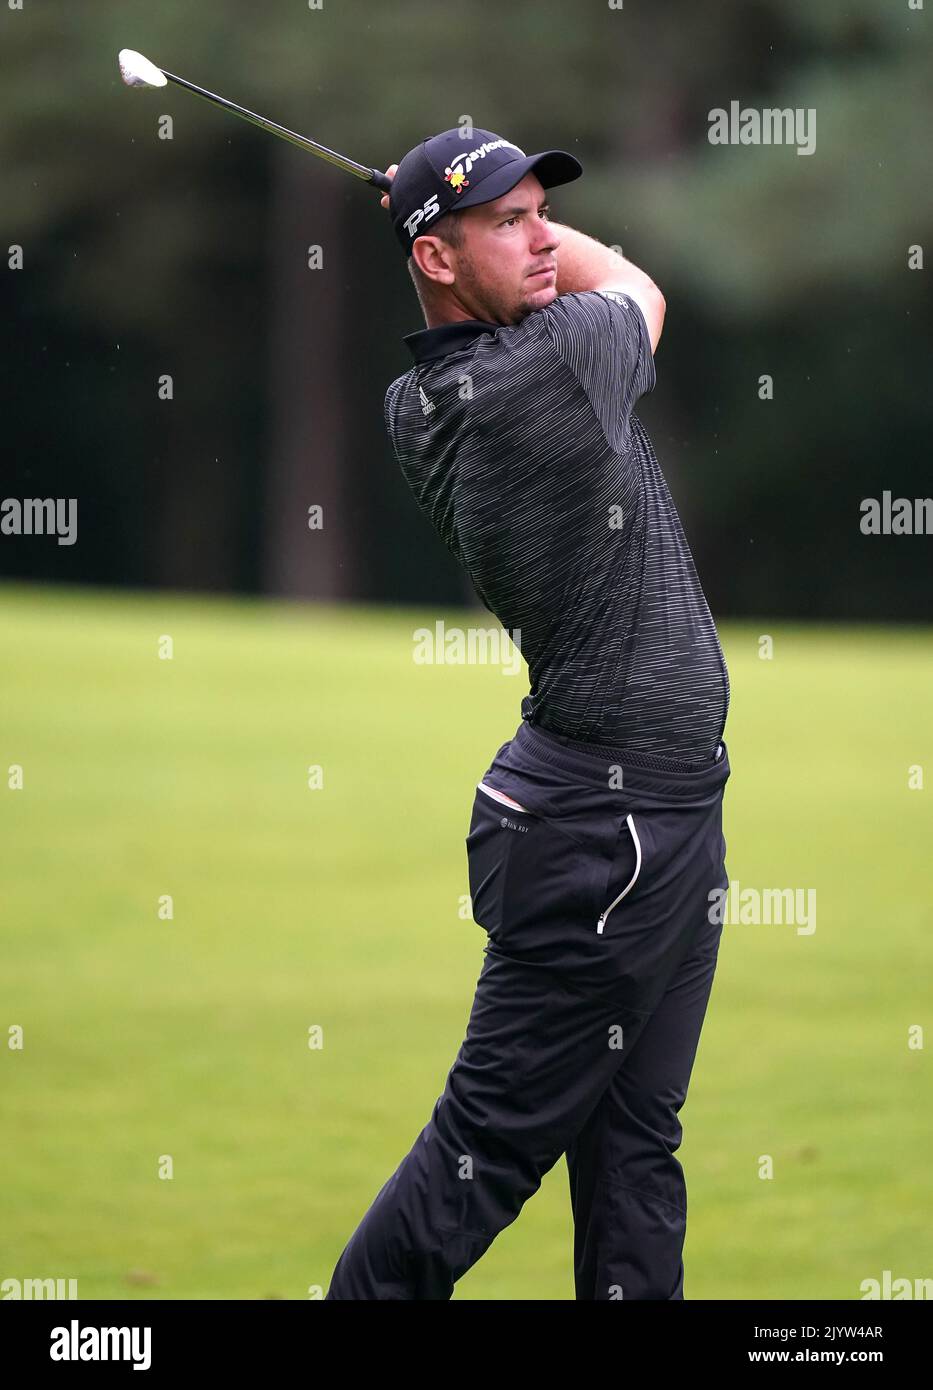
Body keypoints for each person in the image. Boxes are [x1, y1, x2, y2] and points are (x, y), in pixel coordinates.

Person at [324, 128, 731, 1300]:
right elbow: (638, 285)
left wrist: (470, 221)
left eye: (545, 211)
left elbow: (551, 274)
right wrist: (489, 232)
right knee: (486, 1152)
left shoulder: (423, 398)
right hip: (611, 834)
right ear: (438, 260)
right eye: (511, 223)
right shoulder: (542, 372)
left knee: (634, 1144)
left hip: (649, 811)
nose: (546, 237)